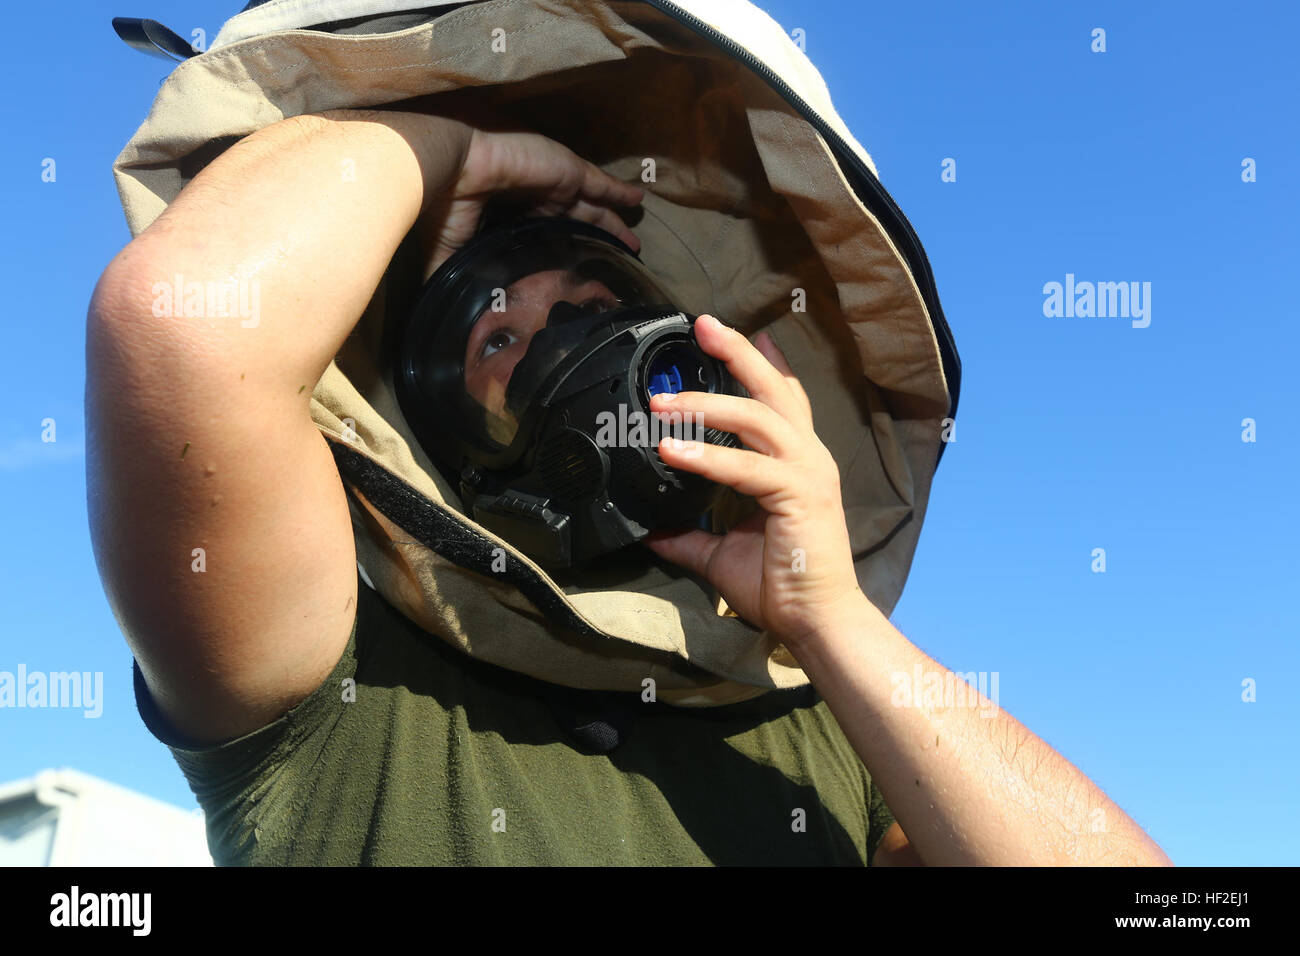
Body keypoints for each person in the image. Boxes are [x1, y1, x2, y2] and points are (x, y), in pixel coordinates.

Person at [85, 109, 1173, 865]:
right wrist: (460, 151)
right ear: (450, 436)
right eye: (499, 332)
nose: (562, 338)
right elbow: (177, 322)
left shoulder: (802, 727)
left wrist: (829, 621)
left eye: (591, 301)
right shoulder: (340, 674)